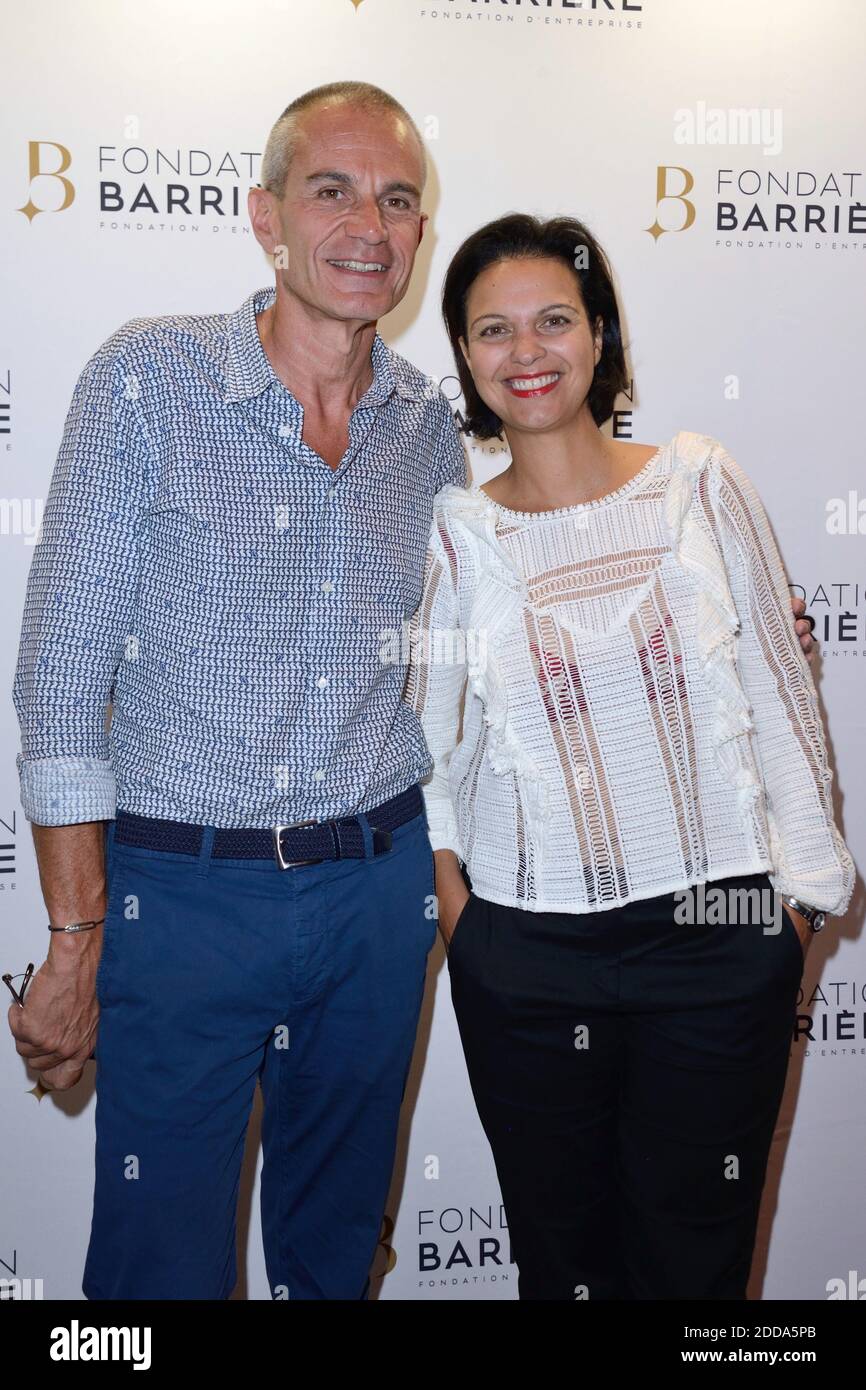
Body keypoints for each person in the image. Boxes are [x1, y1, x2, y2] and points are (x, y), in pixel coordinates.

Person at [7, 81, 467, 1301]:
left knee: (333, 1255)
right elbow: (60, 669)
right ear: (264, 215)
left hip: (378, 894)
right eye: (333, 190)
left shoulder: (430, 428)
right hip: (180, 898)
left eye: (397, 199)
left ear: (421, 232)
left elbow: (490, 644)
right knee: (155, 1276)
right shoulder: (147, 378)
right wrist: (72, 934)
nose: (368, 224)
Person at [406, 212, 854, 1300]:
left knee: (696, 1266)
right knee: (562, 1271)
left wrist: (792, 905)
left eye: (552, 319)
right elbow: (430, 751)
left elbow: (779, 697)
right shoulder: (457, 532)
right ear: (464, 355)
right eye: (492, 329)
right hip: (526, 950)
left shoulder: (698, 481)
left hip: (717, 931)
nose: (526, 352)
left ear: (598, 333)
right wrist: (470, 922)